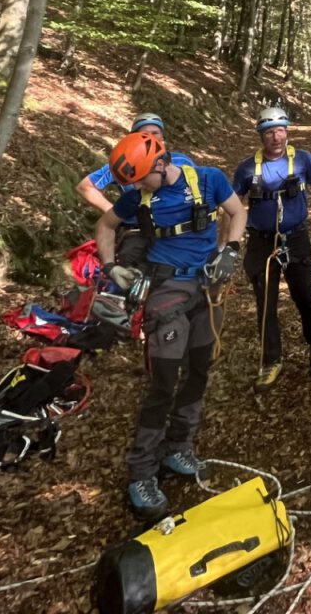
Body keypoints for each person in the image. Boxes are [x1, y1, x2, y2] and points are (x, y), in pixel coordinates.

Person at [94, 129, 245, 520]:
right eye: (134, 182)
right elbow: (106, 226)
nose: (139, 187)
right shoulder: (137, 198)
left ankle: (179, 446)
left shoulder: (208, 179)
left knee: (199, 370)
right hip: (167, 290)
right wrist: (112, 268)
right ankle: (141, 470)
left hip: (206, 287)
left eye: (143, 178)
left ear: (161, 163)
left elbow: (237, 211)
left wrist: (231, 248)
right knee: (163, 377)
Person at [233, 106, 311, 391]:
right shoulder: (246, 168)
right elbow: (232, 207)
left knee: (305, 297)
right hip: (261, 240)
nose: (276, 138)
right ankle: (271, 360)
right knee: (265, 303)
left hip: (295, 237)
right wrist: (226, 244)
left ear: (287, 132)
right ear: (261, 136)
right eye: (269, 133)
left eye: (280, 131)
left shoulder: (303, 160)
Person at [76, 113, 196, 269]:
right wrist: (111, 211)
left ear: (162, 136)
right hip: (136, 229)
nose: (152, 138)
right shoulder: (125, 165)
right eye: (145, 134)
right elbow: (85, 186)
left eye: (156, 133)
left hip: (177, 228)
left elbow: (196, 189)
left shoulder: (182, 161)